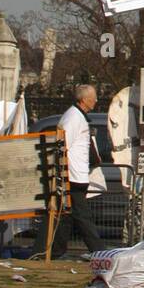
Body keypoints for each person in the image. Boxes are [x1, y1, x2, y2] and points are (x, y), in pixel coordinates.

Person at [32, 84, 103, 258]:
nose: (96, 100)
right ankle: (100, 251)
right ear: (84, 99)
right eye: (94, 97)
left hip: (76, 175)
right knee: (82, 216)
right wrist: (62, 175)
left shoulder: (77, 116)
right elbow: (62, 146)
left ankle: (51, 251)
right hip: (72, 176)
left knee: (65, 216)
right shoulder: (73, 118)